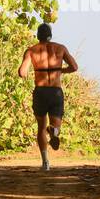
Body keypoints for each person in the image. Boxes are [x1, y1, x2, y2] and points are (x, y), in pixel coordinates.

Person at [17, 23, 77, 170]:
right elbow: (74, 67)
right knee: (55, 125)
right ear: (50, 35)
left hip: (41, 92)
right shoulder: (60, 48)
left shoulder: (31, 51)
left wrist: (36, 70)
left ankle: (45, 163)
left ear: (38, 35)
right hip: (56, 92)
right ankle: (54, 131)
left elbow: (22, 73)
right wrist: (61, 71)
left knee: (41, 127)